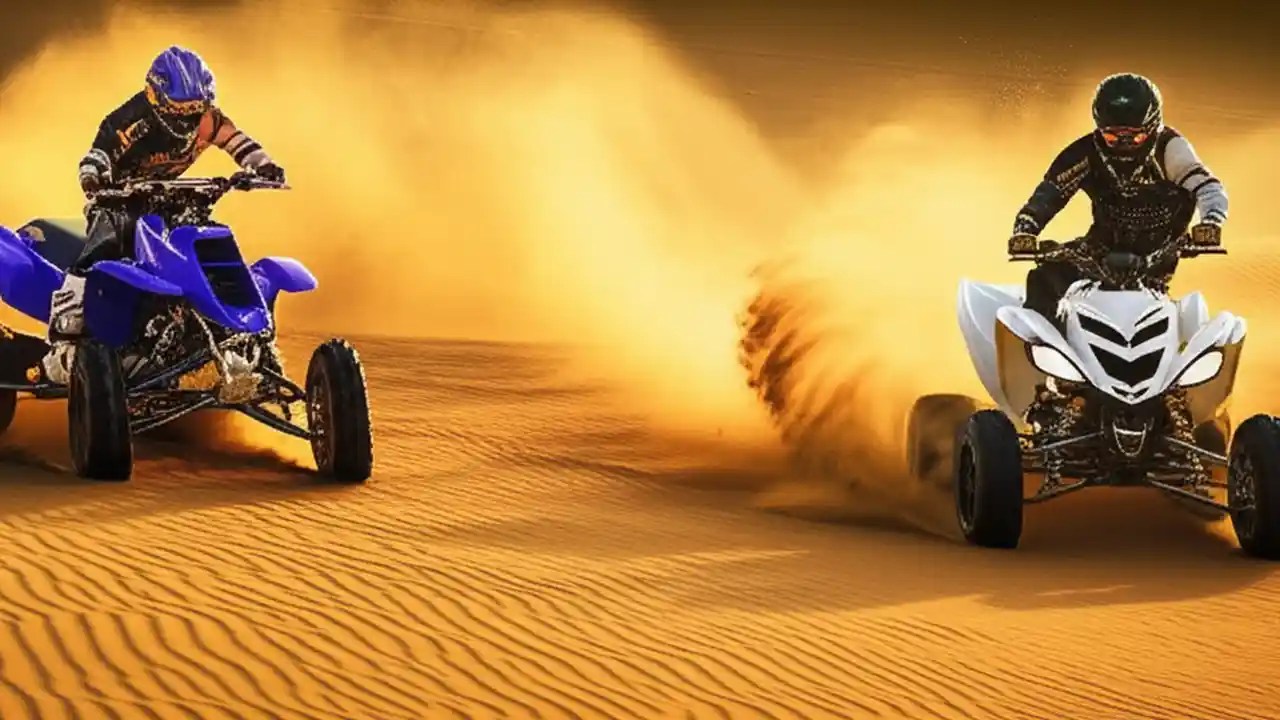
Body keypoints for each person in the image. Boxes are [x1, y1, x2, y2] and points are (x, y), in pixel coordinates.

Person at [42, 45, 286, 383]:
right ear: (155, 98)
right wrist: (93, 177)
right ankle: (65, 341)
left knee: (207, 241)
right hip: (119, 199)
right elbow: (98, 152)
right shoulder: (132, 118)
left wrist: (264, 166)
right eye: (179, 109)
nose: (188, 118)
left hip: (170, 197)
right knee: (102, 248)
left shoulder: (207, 120)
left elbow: (238, 142)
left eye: (196, 109)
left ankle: (232, 333)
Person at [1007, 72, 1228, 322]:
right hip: (1097, 252)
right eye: (1112, 136)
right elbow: (1049, 195)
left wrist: (1211, 222)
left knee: (1188, 314)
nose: (1124, 143)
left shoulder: (1170, 150)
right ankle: (1040, 345)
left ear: (1153, 126)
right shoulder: (1086, 153)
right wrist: (1026, 228)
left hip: (1157, 258)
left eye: (1134, 136)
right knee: (1042, 280)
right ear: (1099, 127)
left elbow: (1208, 188)